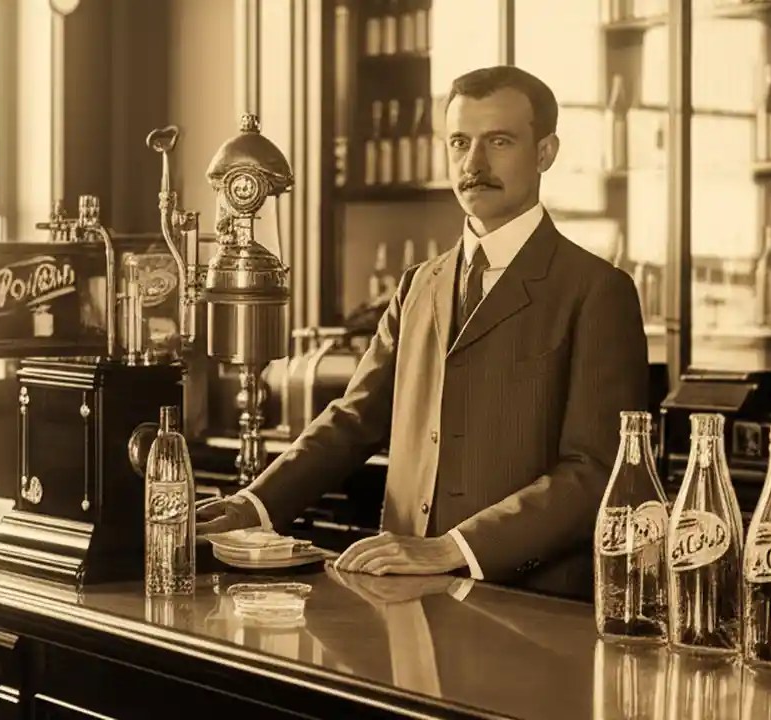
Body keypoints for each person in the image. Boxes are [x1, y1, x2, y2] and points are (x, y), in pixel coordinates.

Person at [197, 65, 649, 599]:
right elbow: (355, 419)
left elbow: (597, 471)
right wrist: (253, 505)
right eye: (460, 142)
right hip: (401, 597)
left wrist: (455, 547)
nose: (473, 164)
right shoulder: (420, 284)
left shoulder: (598, 290)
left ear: (545, 152)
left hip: (530, 607)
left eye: (499, 141)